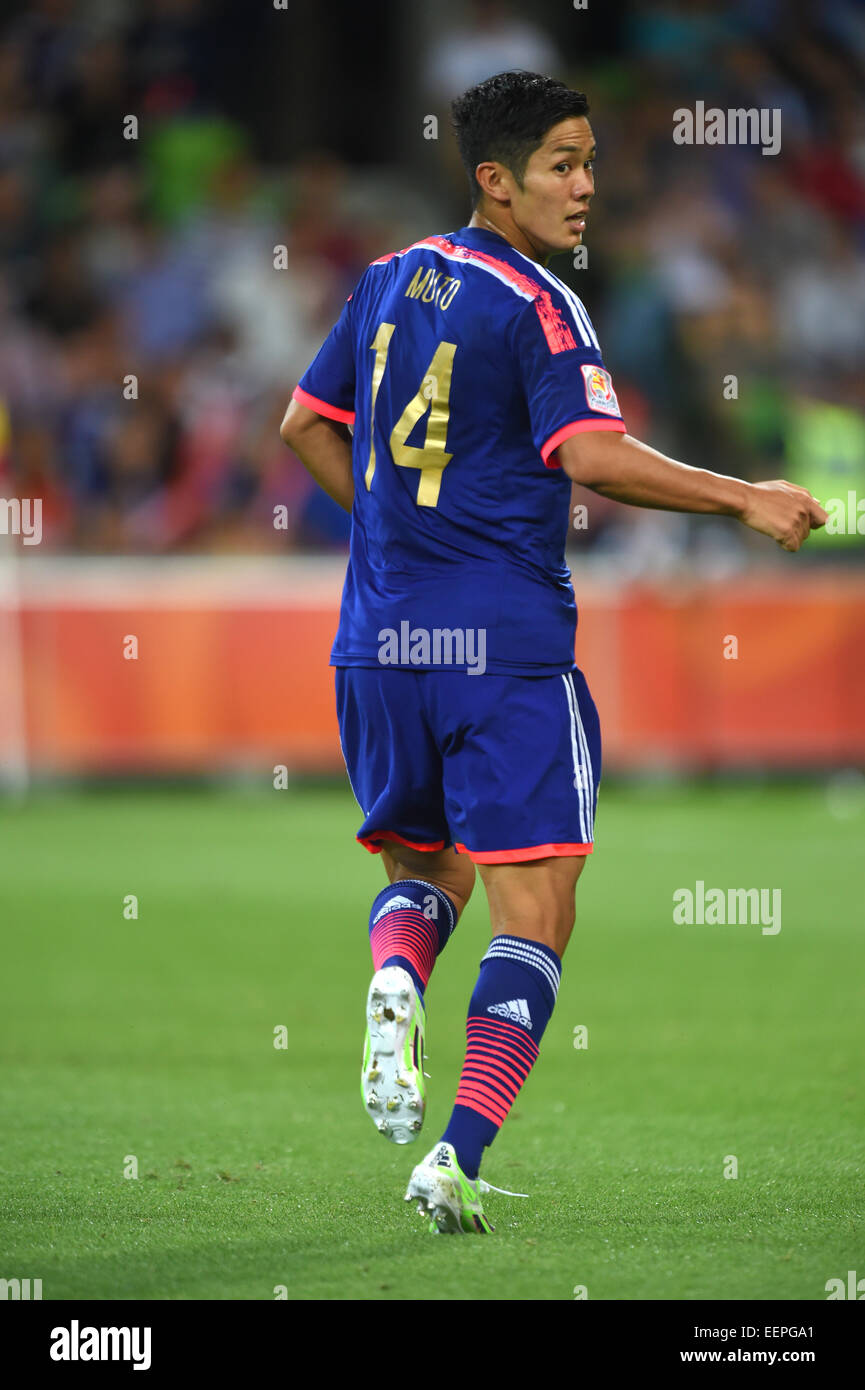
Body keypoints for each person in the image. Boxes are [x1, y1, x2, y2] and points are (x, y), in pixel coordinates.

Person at [280, 71, 826, 1235]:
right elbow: (588, 453)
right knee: (536, 918)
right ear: (496, 181)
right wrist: (742, 498)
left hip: (378, 644)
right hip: (503, 648)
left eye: (590, 162)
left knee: (428, 871)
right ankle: (455, 1157)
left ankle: (393, 978)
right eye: (562, 166)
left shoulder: (382, 282)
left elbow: (303, 425)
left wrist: (389, 542)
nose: (586, 187)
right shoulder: (538, 305)